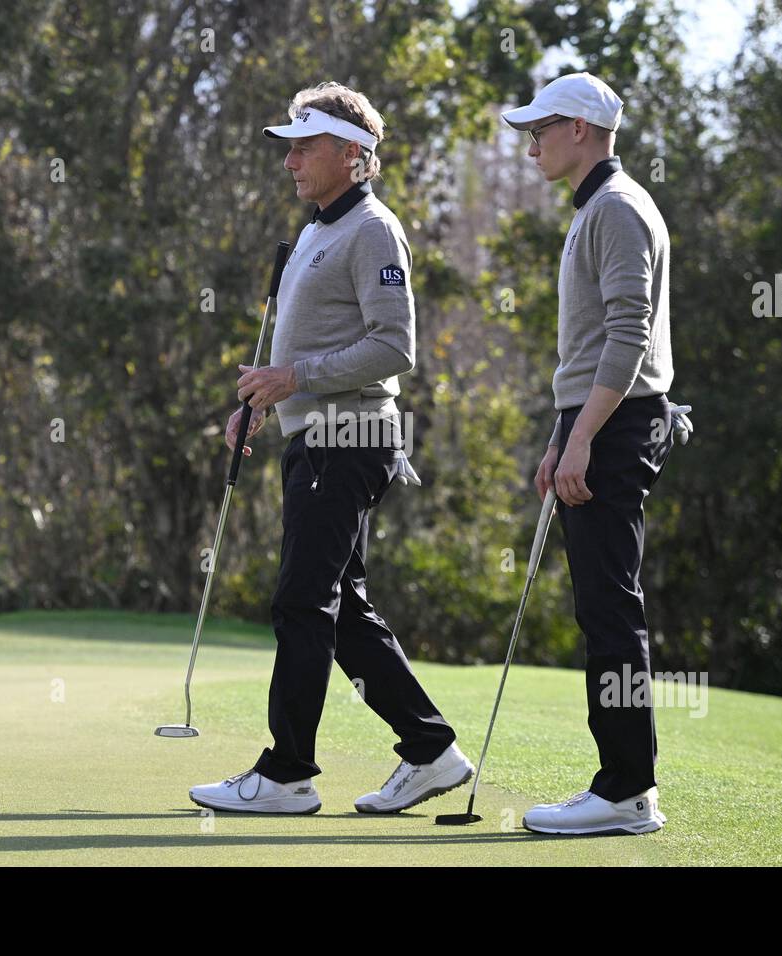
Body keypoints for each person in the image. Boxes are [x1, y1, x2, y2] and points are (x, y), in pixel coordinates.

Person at [189, 82, 472, 815]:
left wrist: (295, 379)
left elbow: (393, 346)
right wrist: (261, 402)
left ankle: (286, 775)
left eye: (304, 146)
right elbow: (300, 350)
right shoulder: (316, 229)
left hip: (350, 440)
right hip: (312, 437)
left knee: (302, 601)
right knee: (341, 609)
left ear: (354, 154)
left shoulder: (374, 229)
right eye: (289, 147)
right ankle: (430, 749)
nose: (290, 161)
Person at [501, 73, 677, 835]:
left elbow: (628, 337)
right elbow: (590, 349)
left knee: (611, 611)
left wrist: (582, 438)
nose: (531, 144)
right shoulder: (598, 208)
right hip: (595, 422)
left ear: (580, 129)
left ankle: (627, 789)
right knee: (602, 608)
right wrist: (559, 436)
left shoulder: (616, 208)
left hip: (616, 426)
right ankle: (620, 783)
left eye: (540, 129)